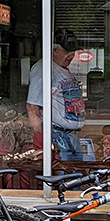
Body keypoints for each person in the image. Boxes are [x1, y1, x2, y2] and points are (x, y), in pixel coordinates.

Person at [26, 31, 85, 161]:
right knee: (62, 172)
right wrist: (40, 138)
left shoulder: (62, 68)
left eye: (73, 51)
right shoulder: (44, 69)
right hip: (57, 136)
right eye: (67, 51)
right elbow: (32, 106)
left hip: (71, 136)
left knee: (76, 172)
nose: (71, 55)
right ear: (54, 50)